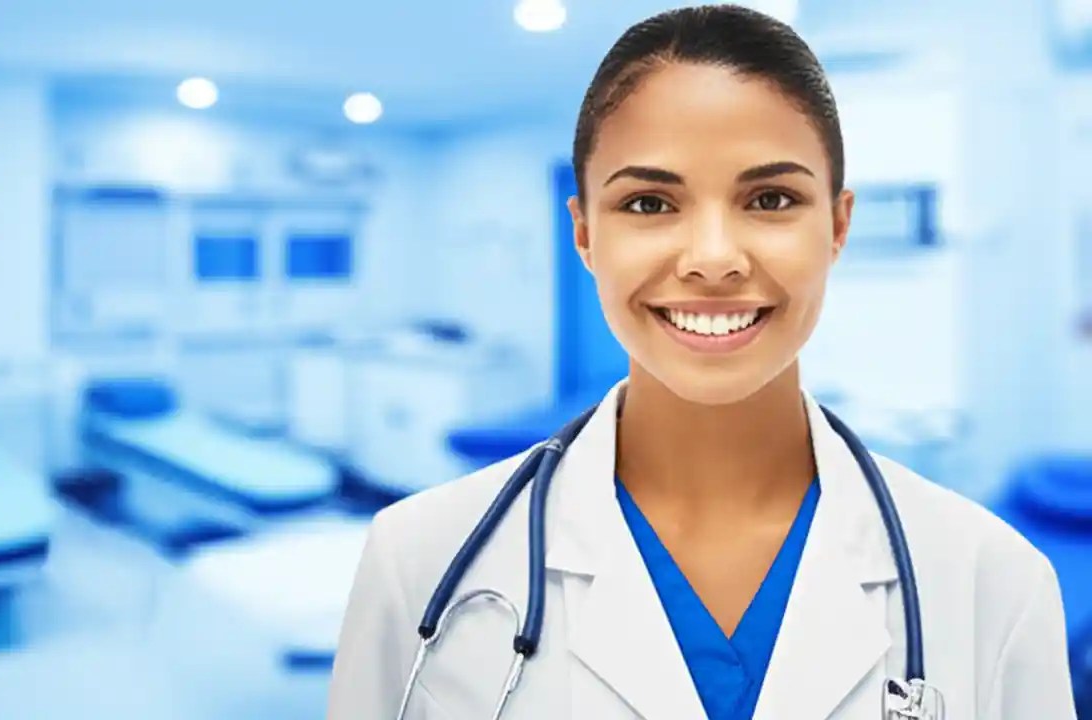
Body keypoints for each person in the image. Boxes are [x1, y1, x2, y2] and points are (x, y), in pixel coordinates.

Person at [326, 4, 1077, 719]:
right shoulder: (418, 563)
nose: (714, 260)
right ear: (585, 234)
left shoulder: (993, 584)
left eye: (772, 199)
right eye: (650, 204)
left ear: (838, 226)